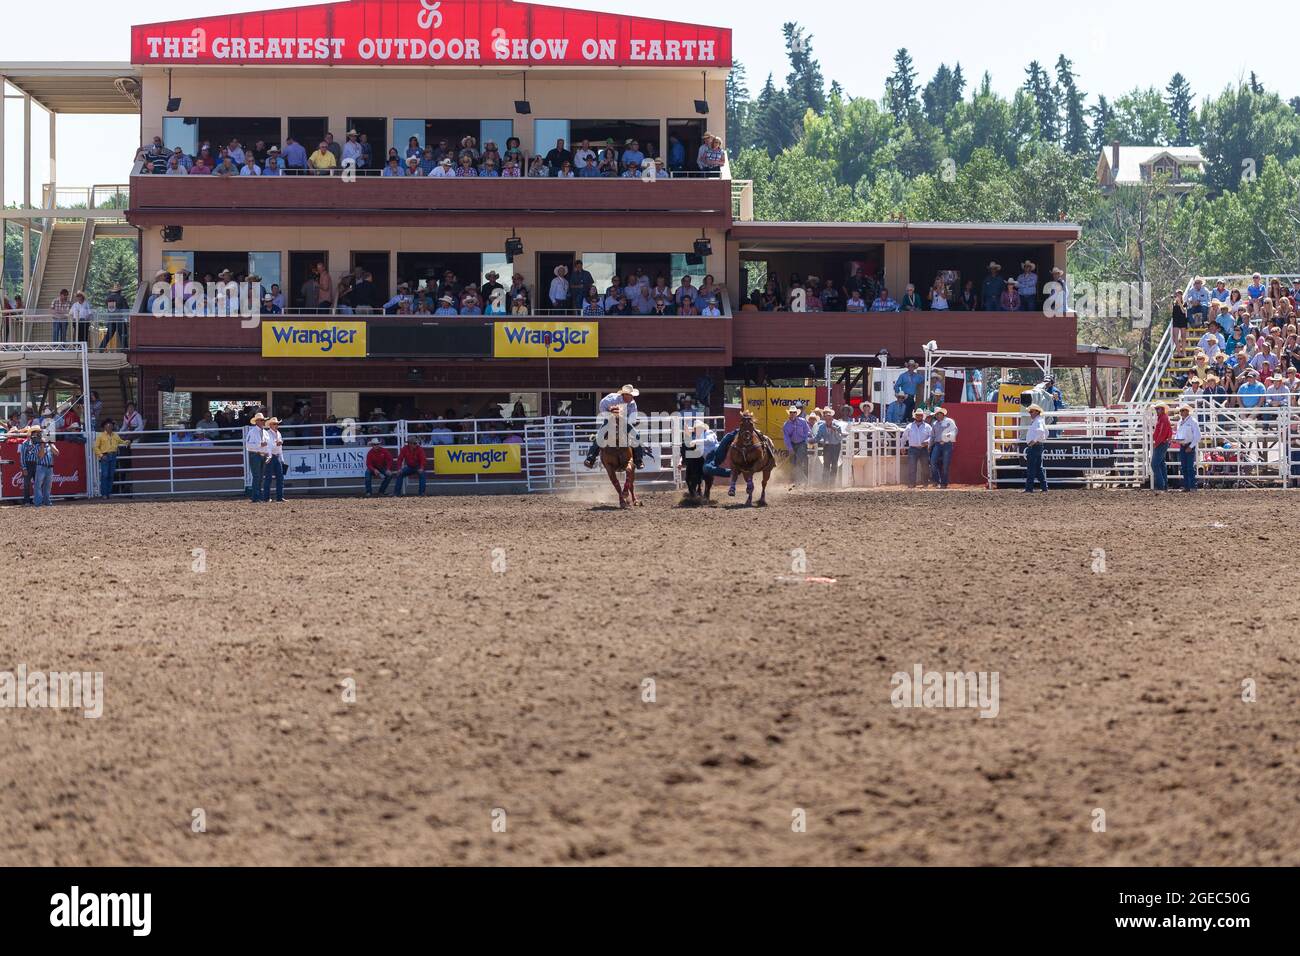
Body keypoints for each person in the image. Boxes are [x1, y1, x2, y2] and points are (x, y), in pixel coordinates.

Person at [583, 384, 642, 469]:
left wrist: (627, 420)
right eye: (630, 395)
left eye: (632, 395)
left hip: (625, 421)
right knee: (600, 436)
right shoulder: (612, 398)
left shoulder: (632, 403)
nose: (632, 397)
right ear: (625, 395)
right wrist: (609, 416)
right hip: (610, 419)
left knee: (636, 436)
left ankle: (638, 459)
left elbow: (633, 416)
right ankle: (591, 458)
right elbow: (602, 405)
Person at [93, 419, 130, 498]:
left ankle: (108, 493)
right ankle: (104, 493)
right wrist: (101, 455)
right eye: (108, 425)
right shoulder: (100, 436)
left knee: (110, 475)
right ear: (104, 427)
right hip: (105, 456)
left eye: (111, 425)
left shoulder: (115, 435)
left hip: (113, 455)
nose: (109, 426)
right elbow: (95, 447)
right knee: (105, 475)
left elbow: (121, 441)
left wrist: (126, 442)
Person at [814, 406, 845, 484]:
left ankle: (832, 482)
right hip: (827, 446)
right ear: (824, 419)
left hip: (835, 446)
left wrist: (835, 431)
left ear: (831, 419)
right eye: (826, 419)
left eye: (829, 419)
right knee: (826, 464)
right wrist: (813, 440)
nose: (828, 420)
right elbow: (818, 437)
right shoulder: (821, 427)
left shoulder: (837, 426)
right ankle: (825, 482)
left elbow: (840, 438)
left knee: (834, 464)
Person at [1174, 403, 1200, 491]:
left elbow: (1198, 436)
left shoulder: (1193, 421)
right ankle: (1187, 486)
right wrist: (1176, 440)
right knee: (1184, 467)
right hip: (1182, 445)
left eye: (1183, 410)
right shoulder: (1180, 422)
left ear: (1187, 411)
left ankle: (1192, 486)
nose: (1181, 412)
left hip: (1189, 445)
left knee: (1189, 467)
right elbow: (1178, 435)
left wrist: (1191, 446)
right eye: (1181, 410)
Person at [929, 406, 957, 488]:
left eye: (938, 414)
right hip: (937, 444)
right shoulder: (934, 424)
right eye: (936, 414)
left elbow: (955, 430)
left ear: (942, 414)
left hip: (947, 444)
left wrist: (948, 436)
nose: (937, 416)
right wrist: (930, 445)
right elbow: (932, 436)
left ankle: (943, 483)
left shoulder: (949, 421)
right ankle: (937, 481)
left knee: (945, 464)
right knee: (933, 462)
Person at [782, 406, 810, 487]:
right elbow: (786, 438)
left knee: (799, 462)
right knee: (793, 463)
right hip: (792, 444)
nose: (792, 414)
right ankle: (797, 481)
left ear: (796, 413)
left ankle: (802, 481)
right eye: (791, 412)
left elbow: (808, 432)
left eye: (794, 412)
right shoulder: (786, 425)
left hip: (801, 443)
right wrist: (790, 449)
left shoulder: (803, 421)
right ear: (789, 413)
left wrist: (805, 441)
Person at [903, 409, 932, 488]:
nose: (919, 416)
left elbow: (932, 437)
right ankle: (912, 483)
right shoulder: (909, 426)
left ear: (923, 416)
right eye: (917, 415)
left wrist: (927, 441)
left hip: (923, 449)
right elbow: (904, 437)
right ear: (915, 416)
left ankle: (925, 483)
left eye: (920, 415)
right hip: (913, 448)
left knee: (925, 467)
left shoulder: (928, 426)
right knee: (912, 467)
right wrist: (902, 447)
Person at [1023, 403, 1048, 492]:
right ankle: (1044, 487)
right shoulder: (1039, 420)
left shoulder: (1037, 421)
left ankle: (1029, 488)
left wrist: (1034, 441)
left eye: (1031, 411)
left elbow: (1041, 431)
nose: (1030, 413)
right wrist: (1039, 440)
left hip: (1034, 446)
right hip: (1038, 446)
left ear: (1037, 412)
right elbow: (1045, 432)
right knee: (1038, 468)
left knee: (1031, 468)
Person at [245, 411, 269, 502]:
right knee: (257, 476)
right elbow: (248, 445)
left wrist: (268, 453)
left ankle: (258, 496)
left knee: (260, 476)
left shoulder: (265, 433)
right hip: (255, 454)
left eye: (263, 420)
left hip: (262, 455)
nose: (263, 421)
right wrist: (260, 444)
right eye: (261, 420)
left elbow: (268, 445)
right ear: (257, 421)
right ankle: (256, 496)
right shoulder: (252, 432)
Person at [262, 417, 286, 503]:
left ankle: (280, 497)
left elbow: (280, 448)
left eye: (277, 424)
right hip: (270, 456)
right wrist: (277, 444)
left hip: (277, 456)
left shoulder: (278, 433)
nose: (276, 425)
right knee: (268, 478)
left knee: (280, 477)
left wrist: (282, 459)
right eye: (275, 424)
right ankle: (266, 498)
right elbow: (269, 447)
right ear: (270, 425)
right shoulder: (267, 434)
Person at [31, 434, 58, 506]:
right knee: (38, 485)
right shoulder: (36, 446)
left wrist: (50, 444)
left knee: (48, 486)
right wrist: (42, 445)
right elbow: (41, 456)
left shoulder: (51, 445)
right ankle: (38, 502)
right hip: (41, 467)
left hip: (50, 467)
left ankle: (47, 501)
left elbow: (57, 453)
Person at [1151, 402, 1172, 492]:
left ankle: (1161, 485)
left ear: (1162, 409)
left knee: (1154, 464)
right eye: (1156, 409)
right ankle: (1164, 485)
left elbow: (1162, 433)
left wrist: (1157, 442)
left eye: (1158, 409)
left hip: (1161, 443)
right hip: (1162, 443)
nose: (1156, 410)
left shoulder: (1163, 419)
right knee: (1161, 464)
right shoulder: (1163, 418)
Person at [18, 426, 42, 505]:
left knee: (38, 483)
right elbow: (22, 457)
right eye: (35, 432)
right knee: (26, 484)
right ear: (31, 434)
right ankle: (27, 501)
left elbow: (40, 455)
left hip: (36, 464)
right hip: (28, 464)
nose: (36, 434)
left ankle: (38, 500)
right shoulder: (25, 443)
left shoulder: (39, 443)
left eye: (37, 432)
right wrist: (24, 468)